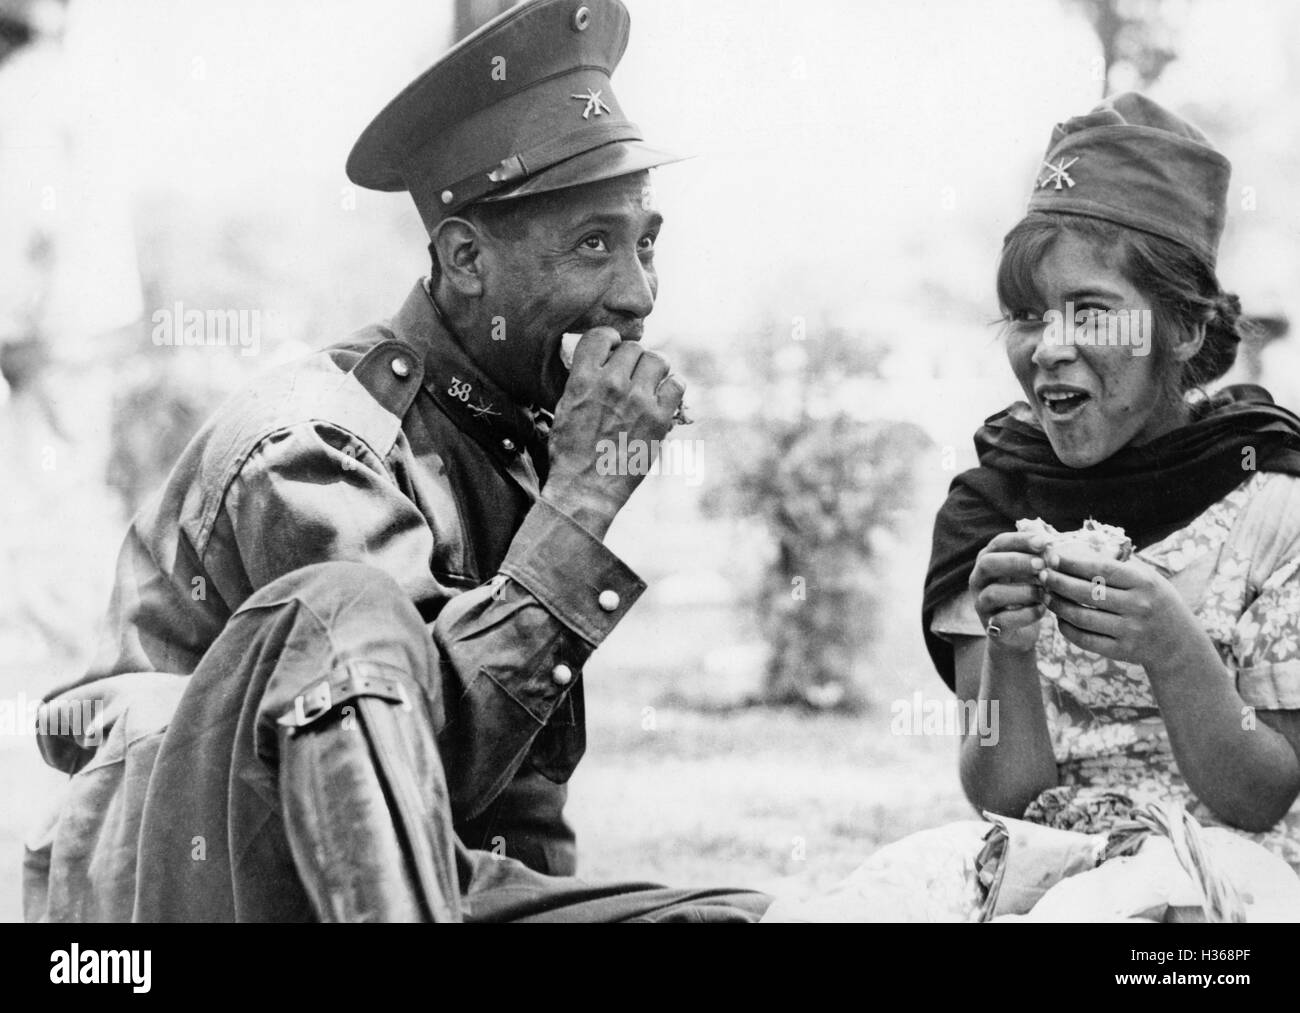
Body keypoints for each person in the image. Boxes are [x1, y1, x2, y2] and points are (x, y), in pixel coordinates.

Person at [24, 0, 770, 923]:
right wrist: (580, 503)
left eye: (645, 242)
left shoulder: (501, 425)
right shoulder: (315, 448)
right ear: (464, 258)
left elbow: (510, 825)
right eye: (594, 246)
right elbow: (405, 778)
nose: (639, 294)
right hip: (200, 889)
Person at [767, 92, 1300, 923]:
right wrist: (1008, 647)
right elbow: (1004, 795)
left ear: (1185, 329)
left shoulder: (1273, 502)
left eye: (1090, 310)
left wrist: (1170, 644)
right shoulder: (994, 507)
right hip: (1040, 855)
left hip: (1225, 879)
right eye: (1024, 315)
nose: (1048, 347)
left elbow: (1261, 796)